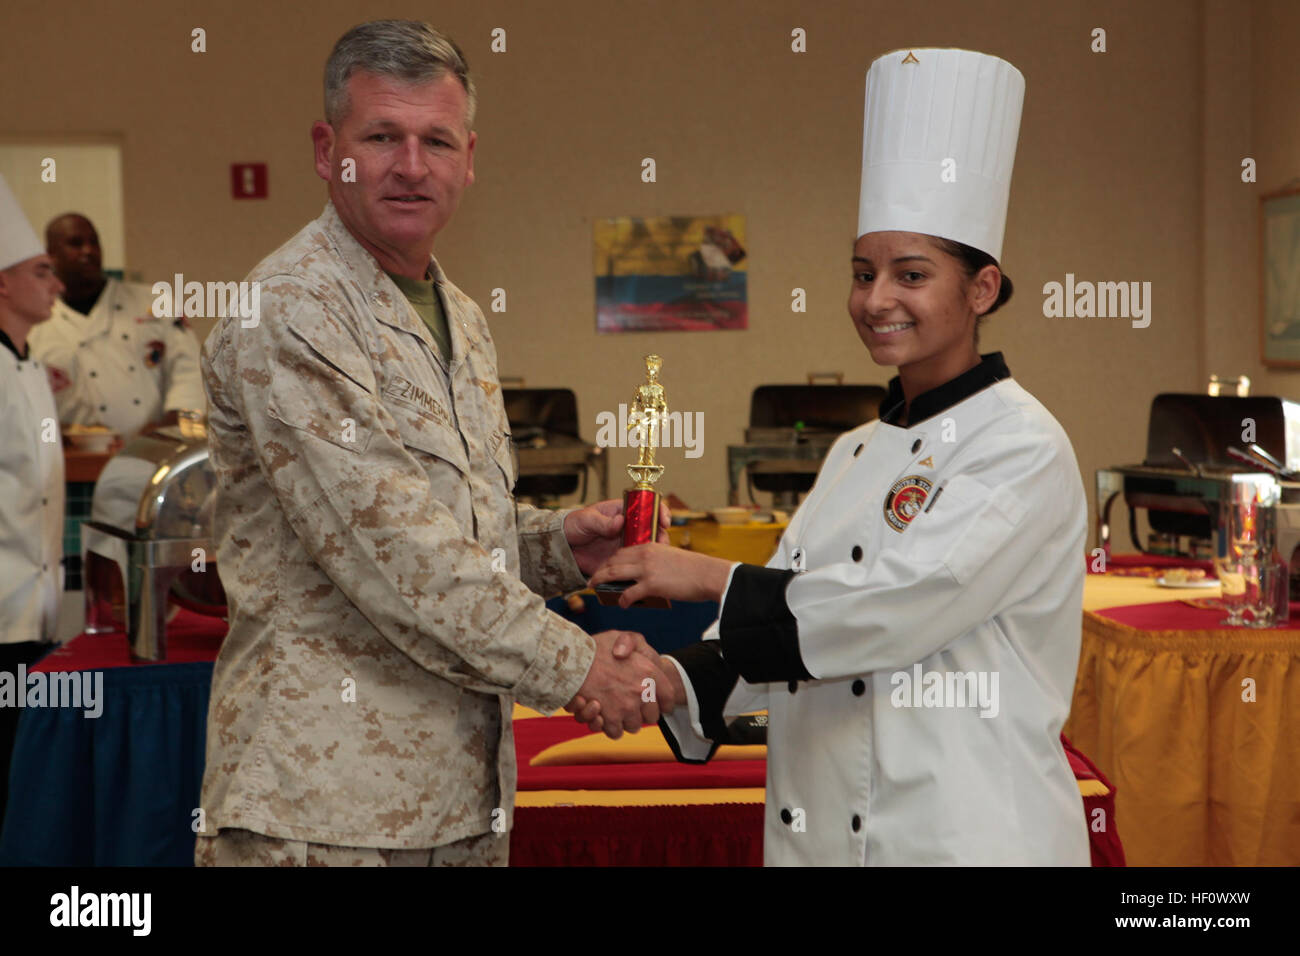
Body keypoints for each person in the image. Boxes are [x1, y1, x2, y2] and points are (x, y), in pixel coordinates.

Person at [584, 48, 1092, 866]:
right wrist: (667, 680)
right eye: (863, 273)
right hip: (819, 834)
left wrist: (708, 574)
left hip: (965, 835)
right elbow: (784, 620)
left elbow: (892, 609)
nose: (876, 299)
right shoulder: (856, 450)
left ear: (984, 288)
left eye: (912, 274)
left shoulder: (1022, 445)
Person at [194, 19, 677, 868]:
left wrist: (559, 543)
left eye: (436, 140)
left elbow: (453, 531)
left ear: (469, 157)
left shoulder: (460, 315)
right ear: (326, 148)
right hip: (323, 814)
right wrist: (580, 666)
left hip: (456, 801)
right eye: (381, 136)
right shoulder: (291, 307)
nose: (411, 166)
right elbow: (396, 555)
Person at [0, 173, 67, 826]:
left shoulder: (29, 365)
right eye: (42, 270)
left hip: (35, 616)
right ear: (2, 284)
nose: (57, 284)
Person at [27, 212, 205, 437]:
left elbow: (190, 373)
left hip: (157, 451)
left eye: (94, 242)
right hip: (76, 460)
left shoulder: (154, 302)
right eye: (76, 243)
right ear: (51, 255)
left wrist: (170, 429)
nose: (88, 251)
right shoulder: (36, 322)